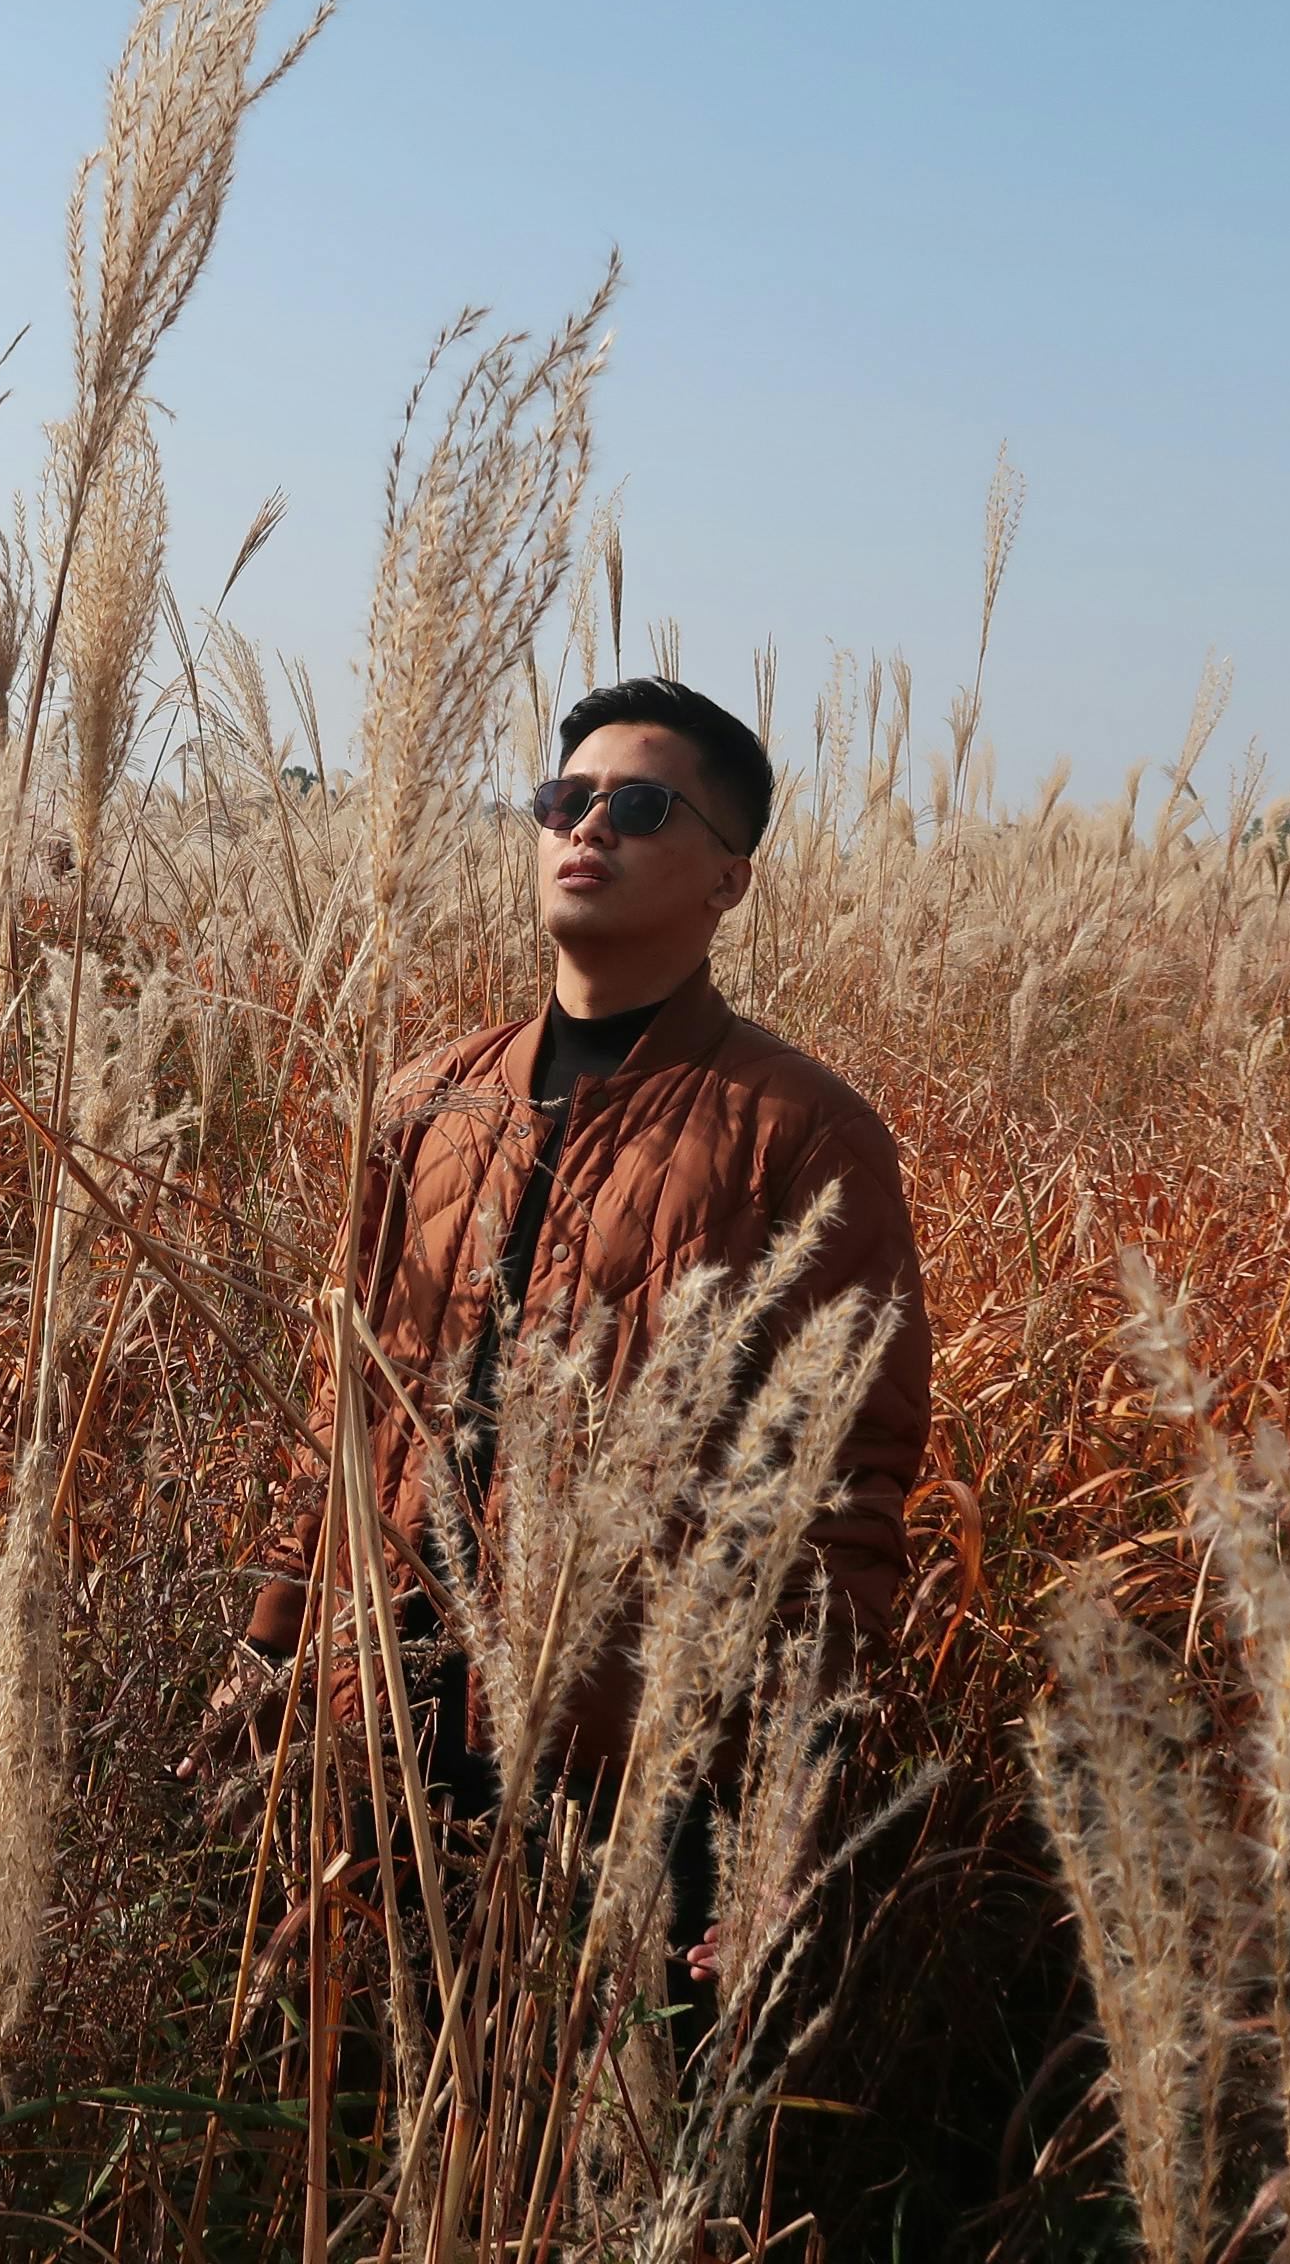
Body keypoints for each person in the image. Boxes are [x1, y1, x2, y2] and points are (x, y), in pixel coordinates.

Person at [192, 674, 931, 1992]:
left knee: (594, 2152)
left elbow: (842, 1499)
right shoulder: (429, 1101)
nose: (588, 825)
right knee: (360, 2116)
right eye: (565, 797)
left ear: (729, 877)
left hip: (627, 1757)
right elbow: (343, 1421)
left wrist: (781, 1814)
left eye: (640, 805)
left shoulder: (802, 1135)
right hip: (385, 1719)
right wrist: (264, 1658)